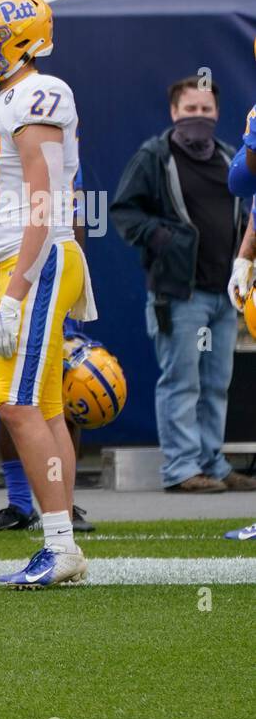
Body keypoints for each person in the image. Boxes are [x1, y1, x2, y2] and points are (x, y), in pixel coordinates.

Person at [0, 0, 97, 587]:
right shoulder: (3, 100)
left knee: (14, 403)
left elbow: (44, 200)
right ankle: (60, 539)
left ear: (21, 40)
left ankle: (61, 544)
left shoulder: (42, 92)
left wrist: (15, 289)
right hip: (21, 258)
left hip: (41, 259)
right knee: (43, 408)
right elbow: (2, 209)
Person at [112, 75, 254, 494]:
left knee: (215, 383)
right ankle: (180, 468)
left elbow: (246, 214)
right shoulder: (154, 157)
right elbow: (123, 211)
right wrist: (163, 239)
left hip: (222, 296)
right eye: (190, 110)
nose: (198, 117)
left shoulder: (230, 156)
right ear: (174, 112)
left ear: (217, 114)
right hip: (179, 295)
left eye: (206, 110)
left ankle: (213, 462)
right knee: (181, 381)